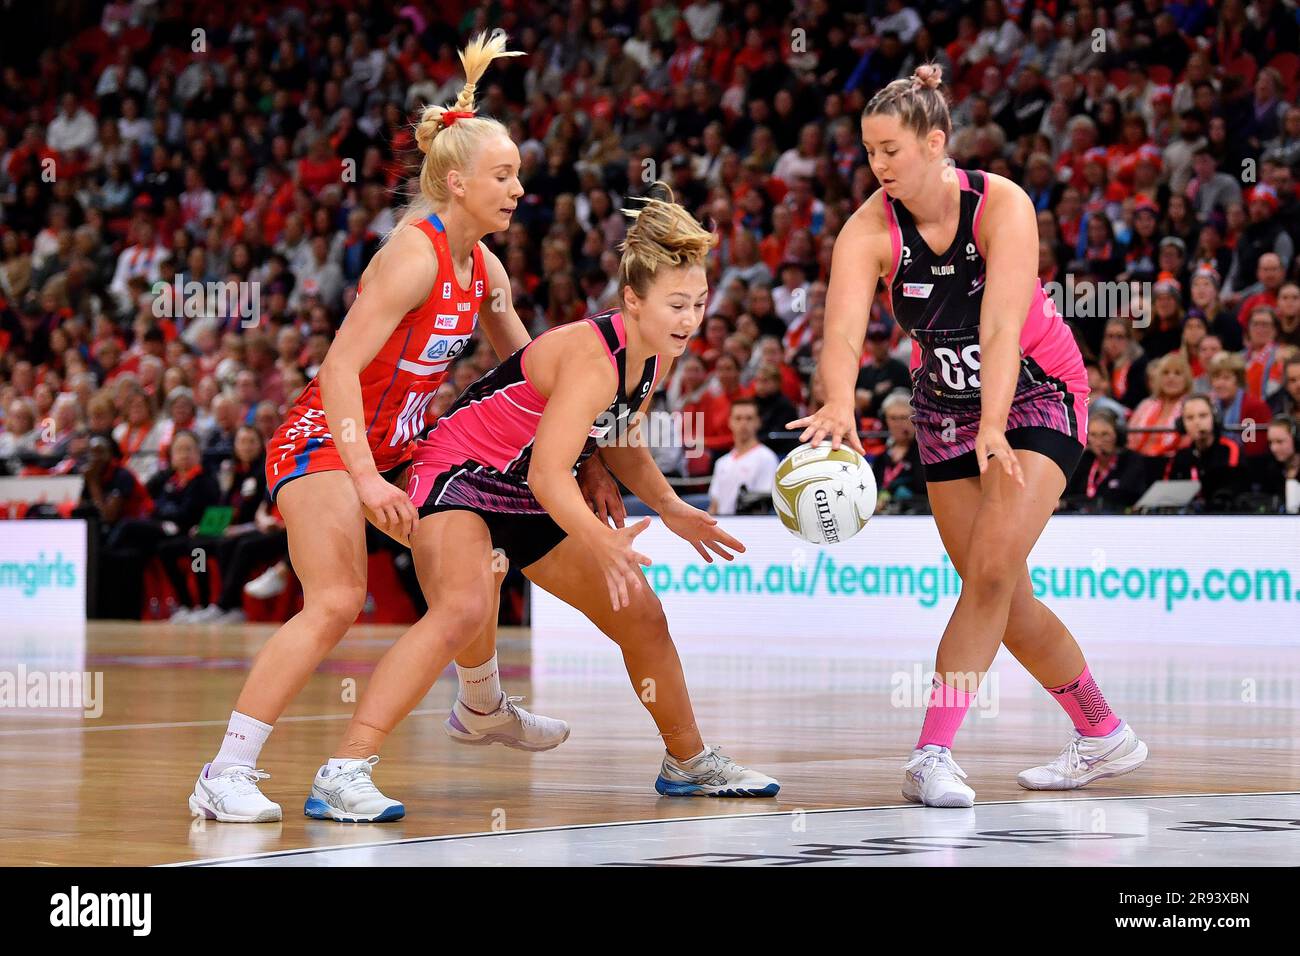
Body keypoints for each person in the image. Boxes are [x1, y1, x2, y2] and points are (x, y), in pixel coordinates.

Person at [189, 32, 622, 824]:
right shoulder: (411, 257)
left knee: (475, 561)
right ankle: (225, 771)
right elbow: (336, 370)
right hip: (328, 440)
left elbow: (534, 371)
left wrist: (589, 459)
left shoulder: (484, 270)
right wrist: (362, 477)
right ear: (456, 183)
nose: (519, 188)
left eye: (519, 174)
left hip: (407, 445)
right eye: (503, 175)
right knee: (338, 598)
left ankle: (483, 706)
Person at [301, 187, 779, 821]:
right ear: (633, 300)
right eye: (676, 304)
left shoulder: (652, 356)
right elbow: (555, 477)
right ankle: (344, 771)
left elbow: (623, 441)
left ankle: (688, 762)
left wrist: (670, 507)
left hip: (520, 488)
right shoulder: (594, 359)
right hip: (459, 476)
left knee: (639, 611)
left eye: (697, 303)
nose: (690, 318)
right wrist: (605, 537)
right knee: (462, 607)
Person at [792, 64, 1147, 808]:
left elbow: (1000, 326)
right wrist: (837, 403)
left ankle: (931, 752)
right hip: (941, 408)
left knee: (989, 569)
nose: (877, 165)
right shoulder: (867, 231)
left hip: (1038, 393)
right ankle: (1103, 732)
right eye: (869, 150)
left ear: (935, 143)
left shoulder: (1002, 205)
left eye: (891, 149)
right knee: (999, 590)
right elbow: (843, 333)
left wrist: (995, 424)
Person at [1164, 394, 1244, 510]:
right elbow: (1167, 494)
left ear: (1215, 418)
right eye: (1190, 418)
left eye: (1203, 416)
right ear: (1182, 424)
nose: (1197, 422)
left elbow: (1232, 490)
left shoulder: (1230, 450)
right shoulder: (1180, 456)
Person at [1062, 409, 1146, 513]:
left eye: (1105, 434)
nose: (1099, 441)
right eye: (1093, 435)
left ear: (1118, 435)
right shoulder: (1084, 459)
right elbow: (1067, 494)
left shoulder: (1132, 460)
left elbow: (1124, 494)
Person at [708, 398, 779, 515]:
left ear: (758, 422)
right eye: (738, 418)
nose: (743, 423)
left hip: (749, 526)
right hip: (722, 525)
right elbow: (714, 505)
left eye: (749, 418)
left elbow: (762, 505)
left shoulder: (766, 458)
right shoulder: (722, 462)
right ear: (729, 422)